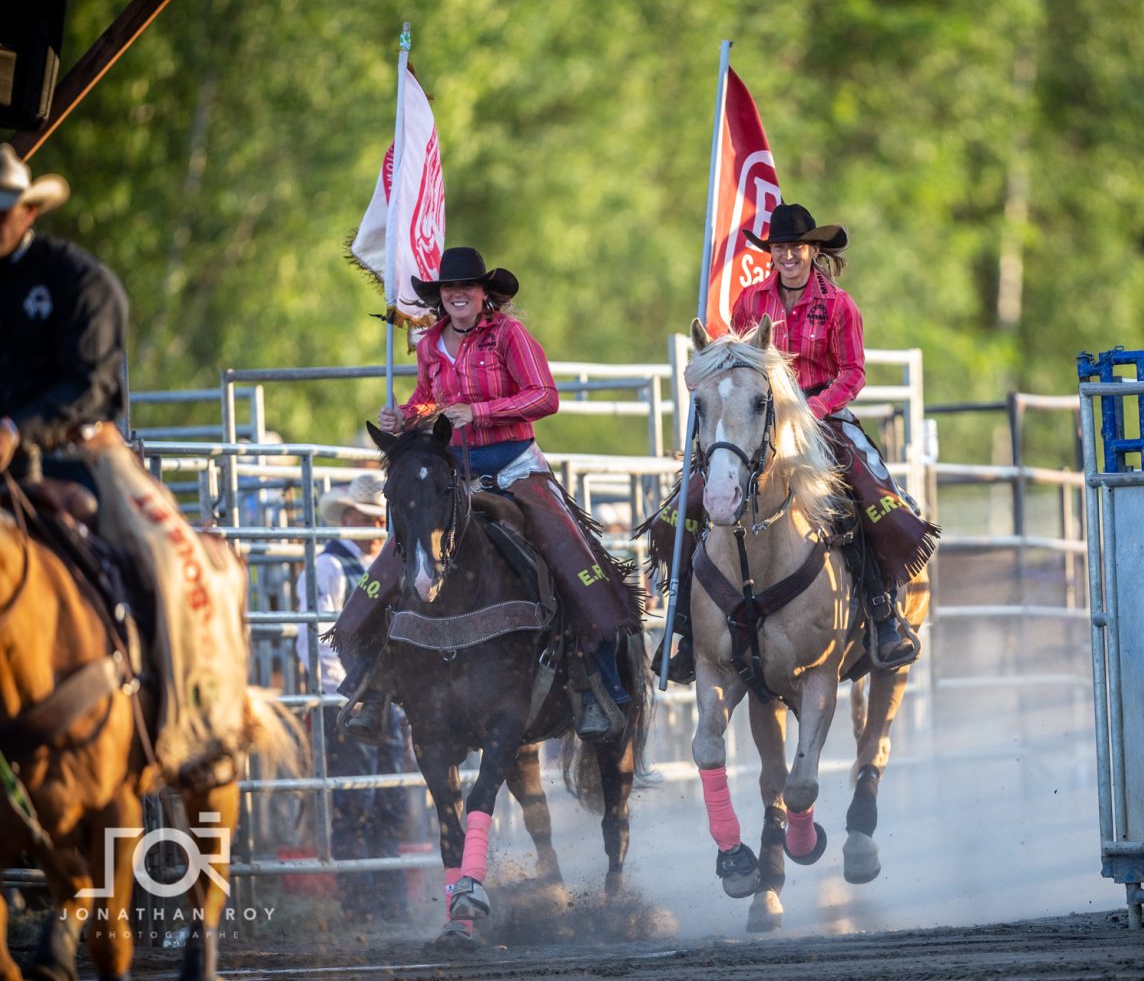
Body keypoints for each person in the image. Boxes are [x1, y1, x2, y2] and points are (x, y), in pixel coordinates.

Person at [340, 246, 636, 743]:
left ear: (483, 294)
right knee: (403, 547)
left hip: (516, 465)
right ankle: (370, 675)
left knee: (566, 550)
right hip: (457, 471)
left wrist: (481, 413)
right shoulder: (431, 343)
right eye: (448, 289)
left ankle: (601, 679)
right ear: (440, 297)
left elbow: (545, 395)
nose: (457, 295)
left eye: (466, 288)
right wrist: (404, 418)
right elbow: (426, 399)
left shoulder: (508, 335)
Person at [652, 203, 938, 683]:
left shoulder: (840, 305)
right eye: (780, 248)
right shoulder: (750, 300)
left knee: (870, 495)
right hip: (756, 419)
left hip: (822, 416)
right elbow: (732, 360)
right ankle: (684, 623)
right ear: (773, 252)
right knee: (688, 502)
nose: (787, 256)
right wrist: (703, 372)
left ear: (813, 251)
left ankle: (884, 612)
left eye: (796, 247)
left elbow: (852, 373)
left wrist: (812, 410)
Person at [294, 473, 409, 923]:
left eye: (380, 519)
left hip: (379, 701)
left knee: (388, 803)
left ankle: (387, 901)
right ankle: (362, 904)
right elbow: (316, 641)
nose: (377, 526)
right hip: (349, 703)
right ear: (348, 518)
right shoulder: (328, 567)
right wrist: (346, 697)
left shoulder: (375, 567)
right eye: (368, 518)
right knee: (356, 804)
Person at [0, 142, 127, 493]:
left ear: (29, 212)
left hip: (77, 461)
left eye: (2, 213)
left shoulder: (78, 280)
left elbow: (90, 384)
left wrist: (16, 430)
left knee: (141, 543)